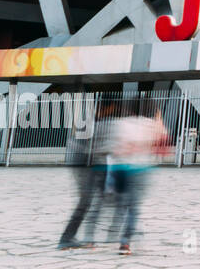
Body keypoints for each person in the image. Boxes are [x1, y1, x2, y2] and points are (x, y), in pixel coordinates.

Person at [109, 104, 168, 255]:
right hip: (138, 169)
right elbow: (163, 146)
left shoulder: (120, 123)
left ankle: (132, 231)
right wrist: (159, 121)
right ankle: (125, 241)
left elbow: (114, 149)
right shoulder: (149, 125)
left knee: (123, 205)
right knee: (134, 207)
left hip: (119, 169)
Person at [58, 99, 114, 249]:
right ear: (104, 108)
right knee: (85, 202)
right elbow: (87, 146)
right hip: (85, 166)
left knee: (87, 202)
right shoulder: (90, 123)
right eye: (111, 109)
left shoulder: (90, 121)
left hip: (87, 166)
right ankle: (67, 238)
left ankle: (73, 237)